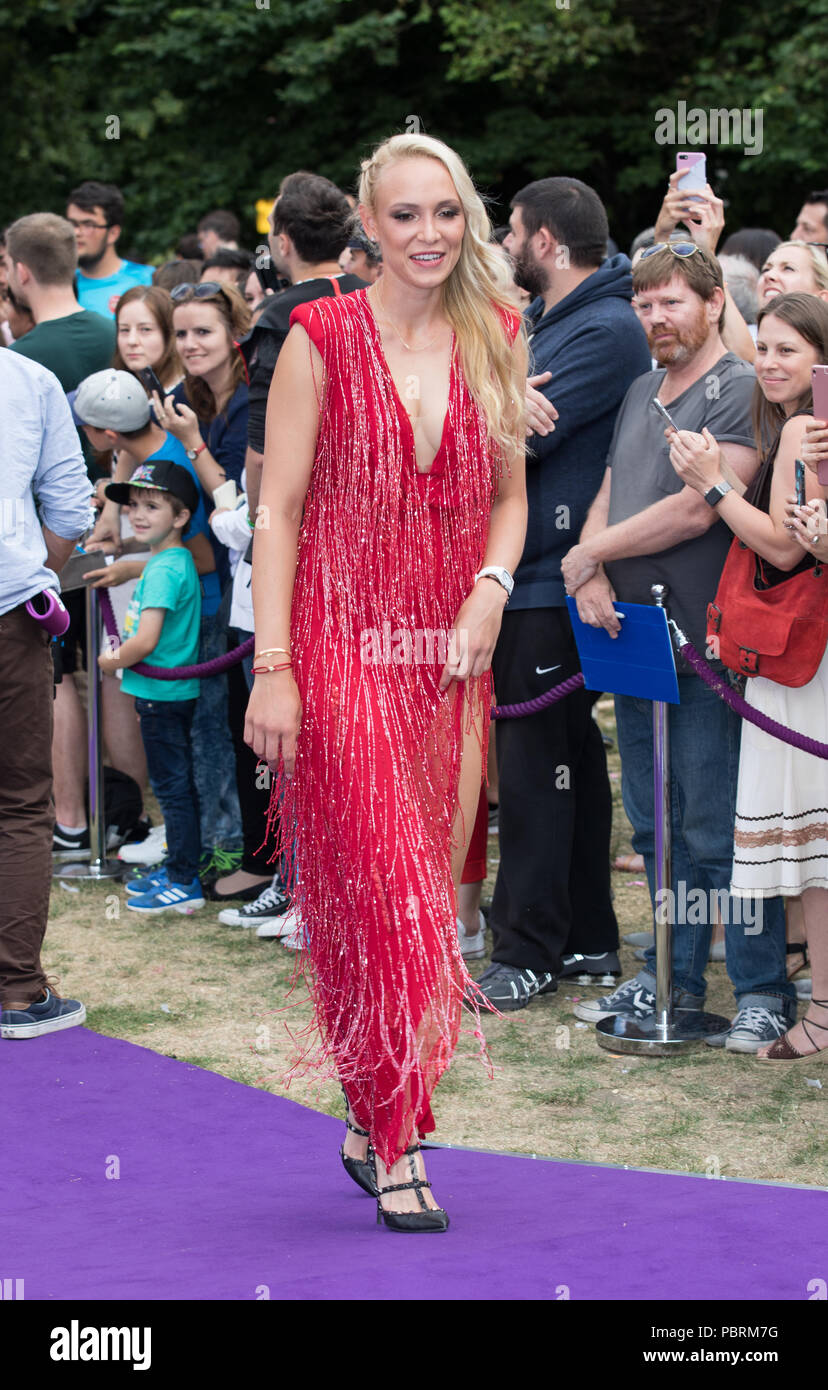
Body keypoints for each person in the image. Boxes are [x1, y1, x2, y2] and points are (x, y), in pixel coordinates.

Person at [244, 132, 528, 1230]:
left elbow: (510, 494)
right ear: (369, 221)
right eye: (405, 215)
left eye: (446, 213)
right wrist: (273, 667)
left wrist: (493, 588)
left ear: (469, 221)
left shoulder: (496, 332)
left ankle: (375, 1106)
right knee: (390, 895)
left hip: (449, 655)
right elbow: (278, 511)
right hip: (337, 644)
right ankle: (402, 1139)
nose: (427, 235)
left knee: (423, 904)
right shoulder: (320, 335)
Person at [562, 242, 797, 1051]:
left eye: (672, 302)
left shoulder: (737, 391)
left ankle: (764, 988)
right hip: (631, 635)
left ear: (709, 303)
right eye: (646, 303)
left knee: (717, 828)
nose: (657, 317)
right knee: (654, 825)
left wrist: (593, 552)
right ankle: (673, 972)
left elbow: (697, 511)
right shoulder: (638, 390)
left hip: (706, 647)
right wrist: (589, 569)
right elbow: (609, 491)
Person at [473, 176, 652, 1012]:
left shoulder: (608, 327)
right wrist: (507, 403)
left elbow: (511, 441)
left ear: (545, 240)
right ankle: (584, 936)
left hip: (553, 574)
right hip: (540, 573)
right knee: (568, 761)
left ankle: (526, 949)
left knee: (537, 762)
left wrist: (498, 407)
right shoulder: (563, 322)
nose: (506, 246)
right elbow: (511, 419)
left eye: (511, 232)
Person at [668, 292, 828, 1062]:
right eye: (760, 348)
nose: (766, 362)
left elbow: (785, 548)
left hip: (803, 669)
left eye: (785, 351)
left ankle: (821, 1014)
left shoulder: (802, 427)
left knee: (815, 851)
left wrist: (712, 481)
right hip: (804, 661)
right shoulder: (796, 422)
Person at [0, 350, 92, 1038]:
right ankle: (17, 991)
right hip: (7, 612)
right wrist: (32, 573)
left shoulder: (31, 381)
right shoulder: (27, 382)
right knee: (18, 803)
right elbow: (67, 507)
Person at [152, 282, 252, 874]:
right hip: (226, 585)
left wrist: (191, 443)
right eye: (182, 333)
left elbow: (237, 506)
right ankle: (238, 850)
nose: (190, 344)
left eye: (203, 332)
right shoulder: (200, 398)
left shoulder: (244, 405)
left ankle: (249, 855)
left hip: (248, 580)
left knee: (236, 726)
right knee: (225, 724)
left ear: (233, 334)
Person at [98, 461, 204, 914]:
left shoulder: (163, 570)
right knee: (171, 789)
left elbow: (145, 640)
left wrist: (110, 661)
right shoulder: (169, 560)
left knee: (173, 791)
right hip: (163, 697)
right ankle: (178, 867)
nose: (138, 515)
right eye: (133, 506)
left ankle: (184, 881)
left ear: (180, 518)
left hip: (163, 699)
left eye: (152, 506)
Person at [240, 172, 367, 521]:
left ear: (284, 244)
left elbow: (263, 450)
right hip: (385, 496)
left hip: (310, 511)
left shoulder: (277, 317)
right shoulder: (380, 299)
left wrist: (255, 518)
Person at [66, 181, 153, 317]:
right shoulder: (60, 287)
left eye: (88, 224)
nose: (76, 232)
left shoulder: (147, 280)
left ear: (113, 233)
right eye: (72, 224)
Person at [112, 284, 183, 392]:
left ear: (169, 333)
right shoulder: (110, 389)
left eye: (145, 329)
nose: (132, 341)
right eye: (124, 330)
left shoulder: (186, 395)